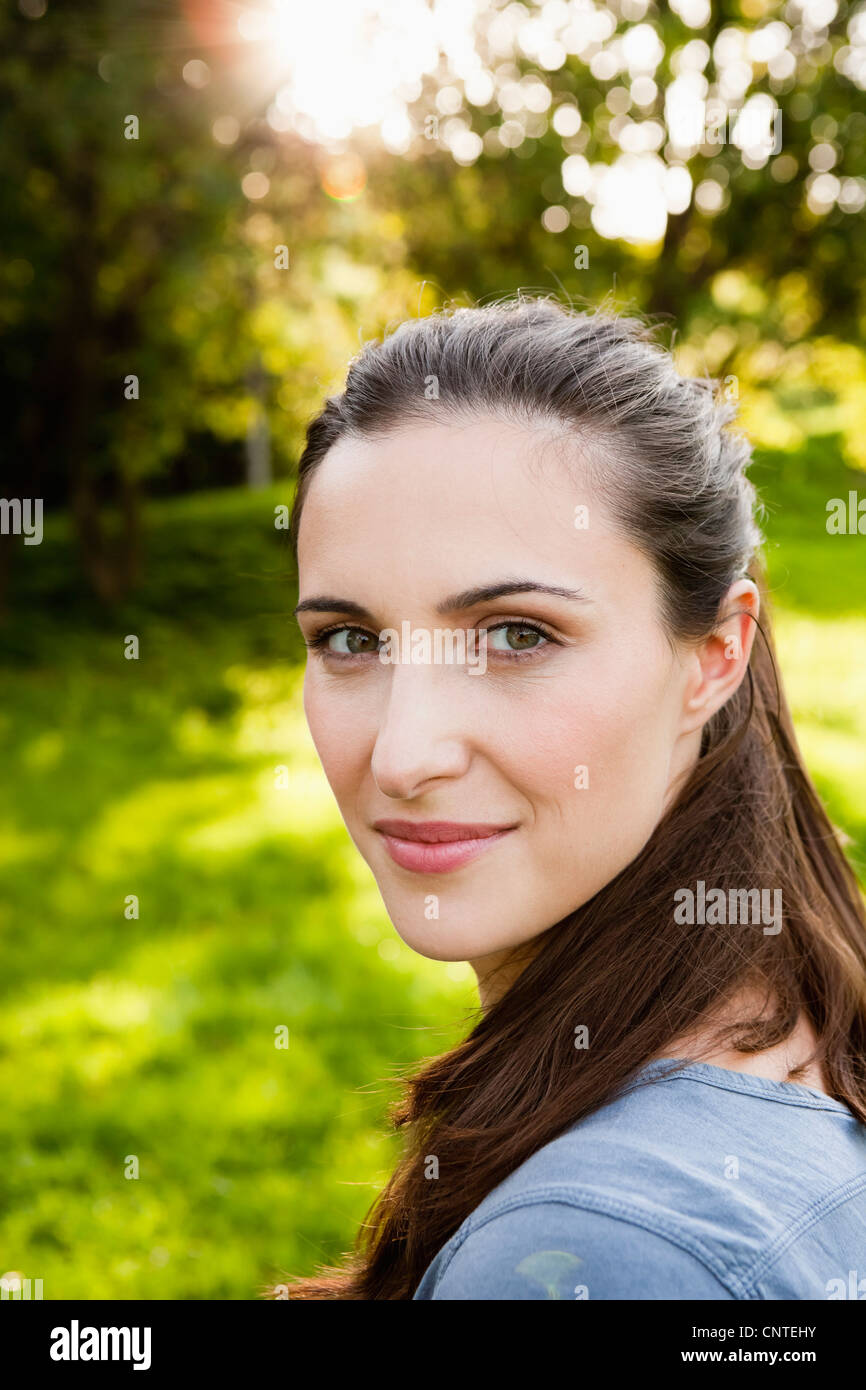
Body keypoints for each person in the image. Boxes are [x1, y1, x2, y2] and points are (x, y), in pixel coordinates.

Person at [280, 295, 866, 1300]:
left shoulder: (591, 1254)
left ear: (714, 653)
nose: (403, 753)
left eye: (515, 635)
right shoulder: (808, 1029)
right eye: (350, 639)